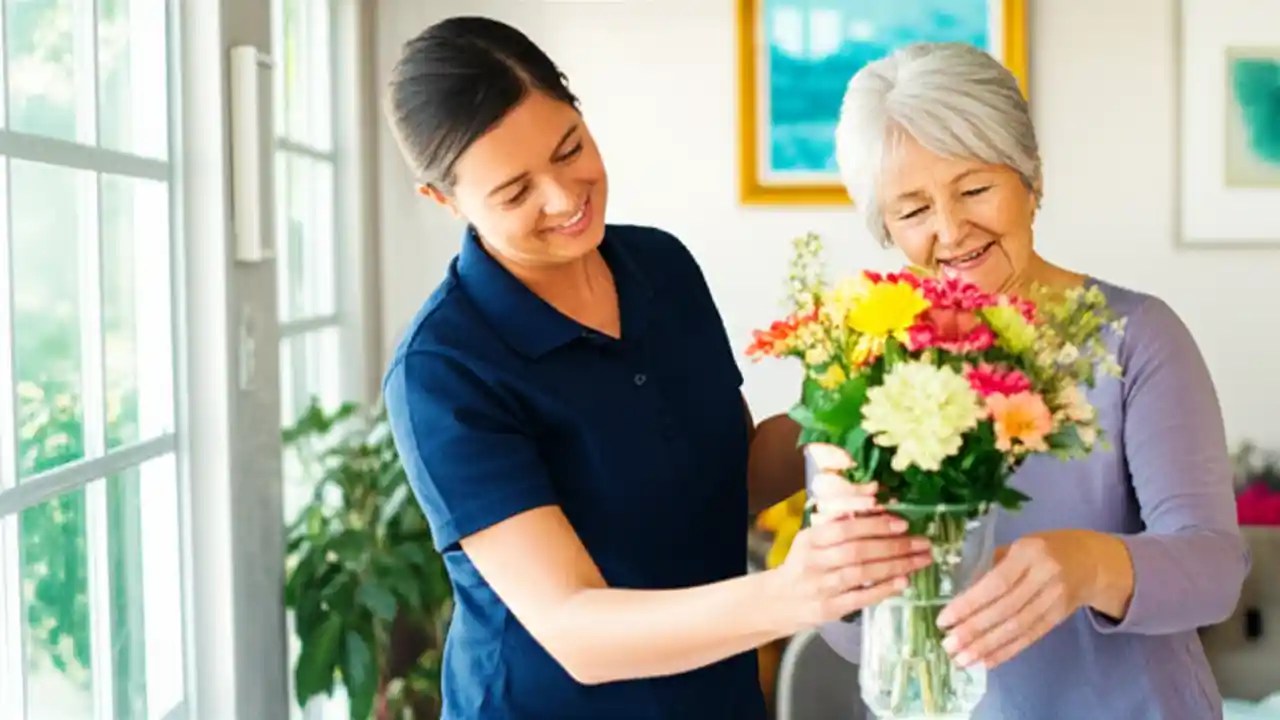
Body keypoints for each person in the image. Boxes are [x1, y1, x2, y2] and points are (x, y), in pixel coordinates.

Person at [379, 16, 931, 719]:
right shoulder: (444, 367)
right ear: (444, 201)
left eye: (569, 148)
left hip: (715, 696)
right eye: (515, 192)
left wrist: (870, 397)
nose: (562, 198)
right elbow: (574, 626)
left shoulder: (659, 267)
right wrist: (793, 593)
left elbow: (736, 474)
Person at [806, 41, 1251, 719]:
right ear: (886, 225)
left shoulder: (1136, 338)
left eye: (975, 188)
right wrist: (852, 570)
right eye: (913, 209)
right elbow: (847, 636)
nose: (951, 231)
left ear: (1031, 180)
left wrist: (1089, 566)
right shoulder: (864, 366)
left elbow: (1217, 570)